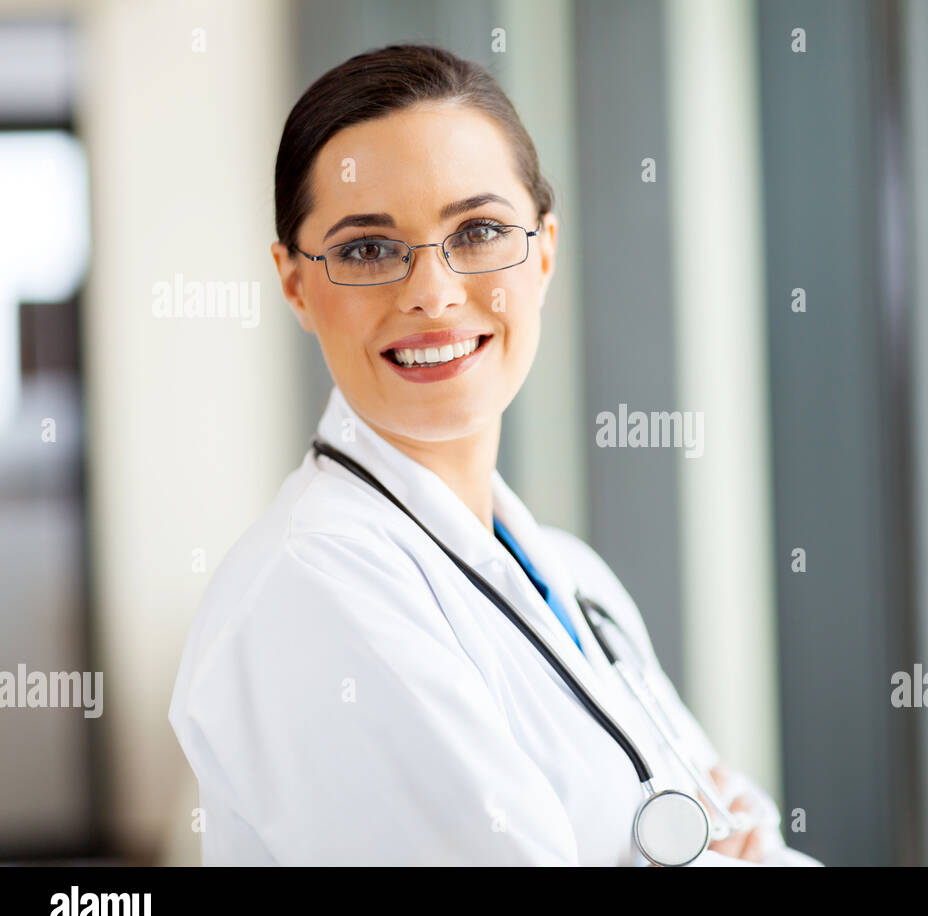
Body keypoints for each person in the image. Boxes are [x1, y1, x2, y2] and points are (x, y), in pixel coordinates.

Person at [168, 43, 820, 867]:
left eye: (477, 231)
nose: (433, 294)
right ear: (295, 284)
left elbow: (744, 832)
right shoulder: (307, 593)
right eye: (368, 248)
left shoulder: (577, 581)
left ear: (544, 252)